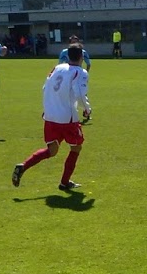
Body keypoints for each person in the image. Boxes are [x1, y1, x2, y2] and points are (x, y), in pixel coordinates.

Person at [12, 44, 91, 192]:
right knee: (76, 147)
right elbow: (80, 94)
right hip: (67, 118)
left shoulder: (57, 68)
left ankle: (23, 166)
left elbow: (45, 87)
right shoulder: (81, 72)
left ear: (67, 56)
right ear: (81, 57)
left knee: (52, 150)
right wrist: (87, 109)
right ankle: (64, 183)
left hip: (50, 115)